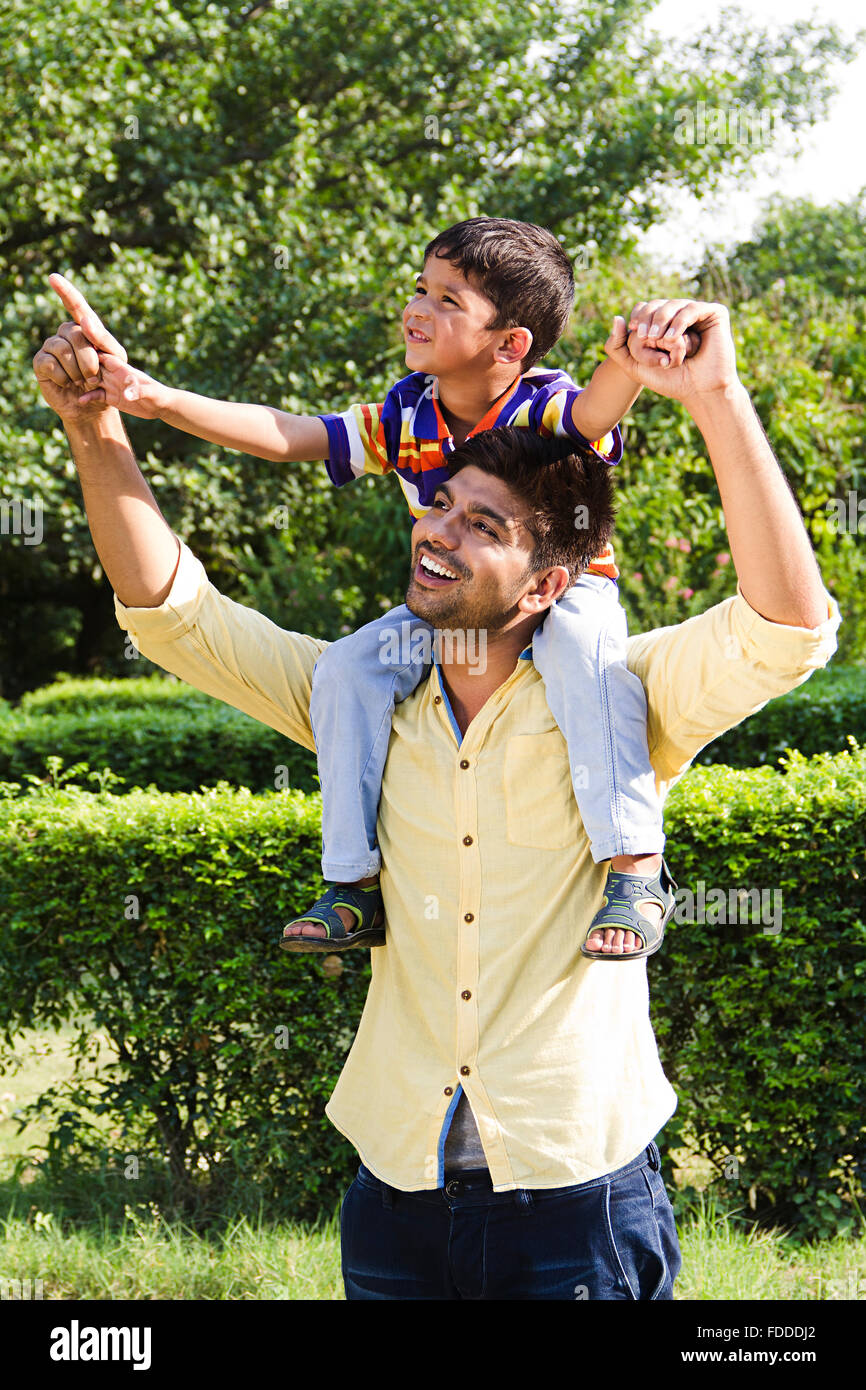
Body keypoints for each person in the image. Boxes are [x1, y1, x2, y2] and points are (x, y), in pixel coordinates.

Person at [33, 292, 838, 1300]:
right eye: (439, 504)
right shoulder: (363, 701)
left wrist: (713, 397)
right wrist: (95, 424)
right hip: (394, 1194)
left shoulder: (622, 704)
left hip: (574, 1197)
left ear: (549, 583)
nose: (436, 530)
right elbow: (175, 617)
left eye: (480, 524)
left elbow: (783, 630)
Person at [49, 218, 691, 963]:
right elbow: (291, 434)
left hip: (564, 592)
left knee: (587, 657)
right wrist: (152, 398)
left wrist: (635, 365)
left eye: (449, 300)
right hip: (450, 604)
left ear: (510, 344)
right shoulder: (406, 410)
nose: (419, 307)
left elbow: (595, 414)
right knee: (349, 668)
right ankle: (353, 884)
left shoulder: (541, 402)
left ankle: (635, 865)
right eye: (421, 288)